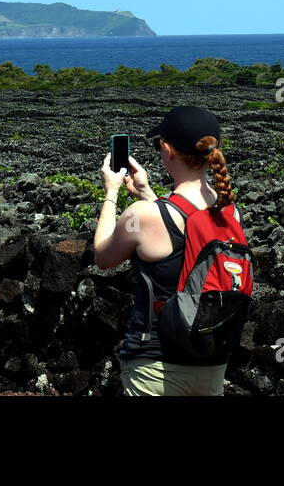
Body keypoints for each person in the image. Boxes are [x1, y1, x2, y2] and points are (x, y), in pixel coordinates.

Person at [93, 105, 243, 396]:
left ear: (167, 150)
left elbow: (102, 256)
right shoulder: (230, 213)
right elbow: (190, 234)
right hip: (211, 365)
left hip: (157, 365)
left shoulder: (146, 215)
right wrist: (147, 193)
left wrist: (111, 192)